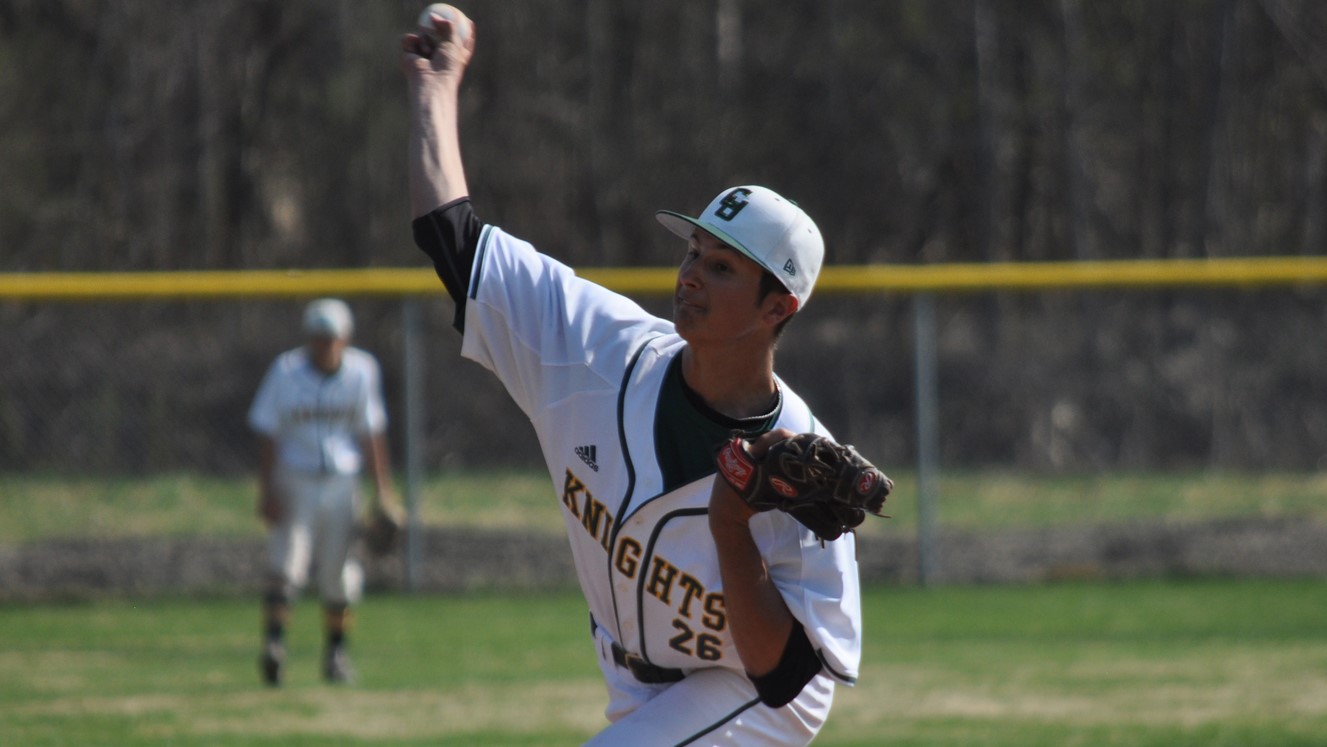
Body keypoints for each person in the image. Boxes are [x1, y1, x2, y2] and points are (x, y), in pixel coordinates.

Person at [402, 13, 870, 745]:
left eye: (721, 267)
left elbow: (786, 675)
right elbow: (455, 243)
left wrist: (731, 524)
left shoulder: (800, 463)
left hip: (755, 696)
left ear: (777, 305)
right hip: (628, 678)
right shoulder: (596, 351)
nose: (690, 276)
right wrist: (437, 87)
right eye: (693, 251)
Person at [247, 297, 398, 686]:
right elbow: (268, 431)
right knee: (286, 566)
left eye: (330, 338)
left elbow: (371, 432)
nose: (324, 345)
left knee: (340, 573)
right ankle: (275, 648)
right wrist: (267, 490)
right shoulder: (285, 371)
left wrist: (383, 491)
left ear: (344, 338)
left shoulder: (362, 371)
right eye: (317, 337)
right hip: (294, 478)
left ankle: (336, 654)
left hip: (341, 482)